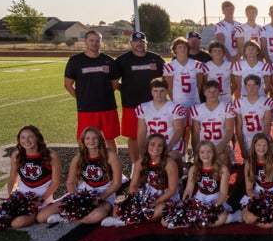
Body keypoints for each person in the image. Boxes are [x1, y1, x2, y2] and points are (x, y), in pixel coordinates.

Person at [38, 127, 122, 225]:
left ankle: (66, 215)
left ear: (100, 140)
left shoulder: (111, 155)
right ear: (83, 141)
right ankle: (70, 215)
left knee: (95, 217)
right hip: (82, 194)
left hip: (105, 195)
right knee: (41, 217)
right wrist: (76, 198)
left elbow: (117, 183)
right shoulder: (78, 158)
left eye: (95, 138)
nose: (91, 141)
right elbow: (70, 182)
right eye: (87, 138)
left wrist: (100, 199)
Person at [102, 133, 180, 226]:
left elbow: (172, 190)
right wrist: (135, 199)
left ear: (164, 149)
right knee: (116, 208)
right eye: (152, 144)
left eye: (160, 145)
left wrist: (156, 202)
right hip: (147, 194)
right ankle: (131, 217)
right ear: (147, 145)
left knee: (159, 210)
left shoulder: (169, 163)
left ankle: (127, 220)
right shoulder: (141, 162)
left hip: (165, 196)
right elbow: (133, 184)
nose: (156, 148)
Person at [115, 31, 165, 170]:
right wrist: (124, 89)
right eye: (136, 42)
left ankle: (154, 164)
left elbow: (165, 79)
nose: (139, 44)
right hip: (131, 104)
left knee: (154, 134)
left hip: (153, 104)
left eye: (142, 41)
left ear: (146, 43)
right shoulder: (122, 60)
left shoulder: (155, 59)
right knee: (133, 136)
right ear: (131, 43)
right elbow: (114, 81)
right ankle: (135, 165)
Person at [64, 30, 120, 152]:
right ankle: (87, 168)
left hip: (107, 107)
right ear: (85, 41)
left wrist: (103, 94)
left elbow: (115, 83)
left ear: (101, 42)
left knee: (110, 138)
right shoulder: (75, 61)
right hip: (87, 109)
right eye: (91, 40)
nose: (94, 43)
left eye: (97, 41)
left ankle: (113, 168)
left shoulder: (109, 60)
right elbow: (68, 85)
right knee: (86, 139)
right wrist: (82, 98)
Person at [163, 140, 233, 228]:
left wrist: (214, 206)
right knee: (166, 220)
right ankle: (198, 222)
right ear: (198, 155)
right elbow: (188, 190)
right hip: (199, 200)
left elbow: (223, 193)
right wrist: (184, 205)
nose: (206, 155)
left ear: (214, 153)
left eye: (209, 152)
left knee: (221, 218)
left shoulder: (222, 169)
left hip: (216, 200)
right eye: (202, 152)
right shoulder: (194, 168)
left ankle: (198, 223)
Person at [136, 77, 187, 166]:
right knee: (142, 162)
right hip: (152, 145)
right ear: (151, 92)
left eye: (162, 91)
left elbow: (179, 130)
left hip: (171, 144)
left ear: (167, 91)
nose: (158, 94)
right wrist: (142, 151)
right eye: (155, 91)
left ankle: (179, 176)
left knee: (172, 156)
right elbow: (141, 131)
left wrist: (168, 147)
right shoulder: (144, 108)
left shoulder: (175, 108)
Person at [241, 133, 273, 228]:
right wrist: (260, 200)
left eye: (264, 145)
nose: (261, 148)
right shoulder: (250, 163)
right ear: (254, 146)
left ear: (269, 147)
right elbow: (249, 190)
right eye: (259, 145)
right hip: (257, 196)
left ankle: (258, 218)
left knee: (269, 224)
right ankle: (253, 216)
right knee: (249, 219)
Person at [190, 80, 235, 166]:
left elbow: (230, 131)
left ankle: (225, 178)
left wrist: (222, 145)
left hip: (221, 143)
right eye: (209, 91)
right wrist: (196, 150)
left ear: (219, 92)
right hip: (205, 145)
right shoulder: (197, 109)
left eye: (215, 91)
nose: (212, 94)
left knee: (223, 156)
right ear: (204, 93)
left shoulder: (226, 108)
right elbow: (195, 133)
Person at [232, 74, 273, 156]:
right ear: (245, 86)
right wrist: (242, 147)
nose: (251, 88)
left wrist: (263, 142)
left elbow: (267, 125)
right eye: (249, 85)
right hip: (247, 140)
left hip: (263, 138)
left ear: (259, 86)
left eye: (254, 85)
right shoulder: (239, 103)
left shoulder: (266, 102)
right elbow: (238, 126)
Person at [163, 37, 206, 111]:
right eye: (179, 47)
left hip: (194, 100)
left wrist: (195, 96)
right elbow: (169, 87)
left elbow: (199, 83)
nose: (182, 49)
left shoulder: (197, 64)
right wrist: (174, 101)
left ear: (188, 49)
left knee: (194, 121)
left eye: (184, 47)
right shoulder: (170, 66)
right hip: (178, 101)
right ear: (175, 49)